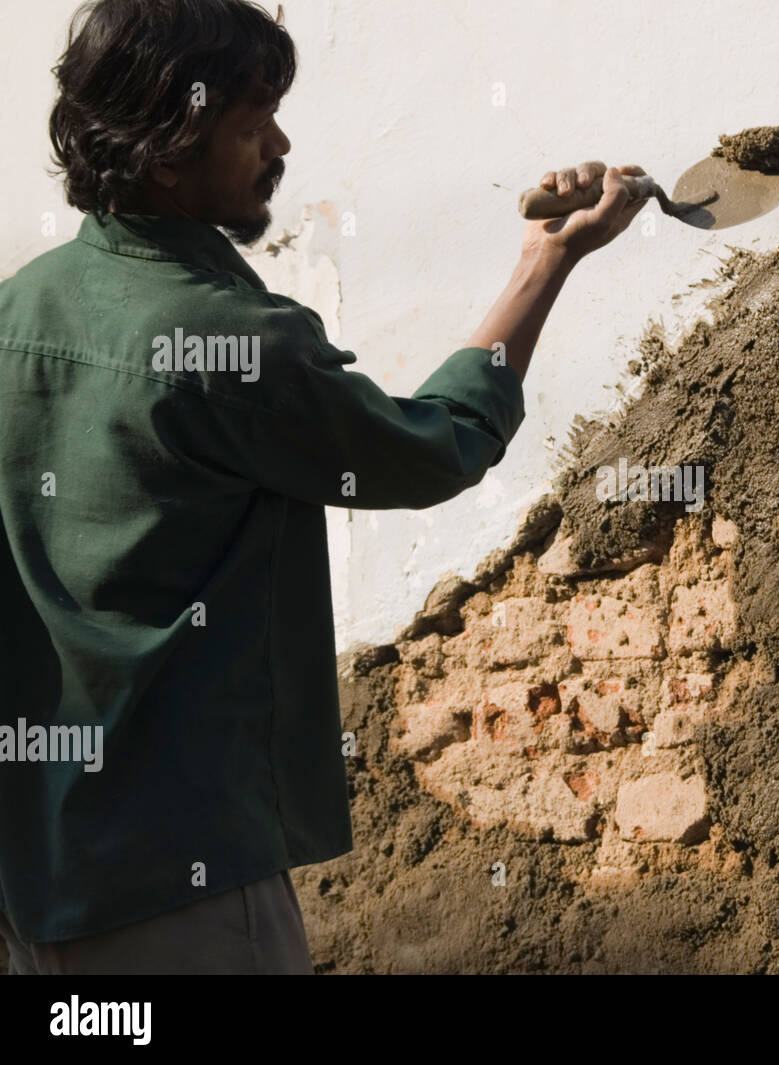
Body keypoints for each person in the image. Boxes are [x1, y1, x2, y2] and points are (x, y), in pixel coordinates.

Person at [0, 0, 646, 974]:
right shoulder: (231, 346)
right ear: (172, 144)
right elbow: (436, 447)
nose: (281, 143)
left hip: (39, 890)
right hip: (185, 886)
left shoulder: (17, 312)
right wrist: (547, 260)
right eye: (255, 120)